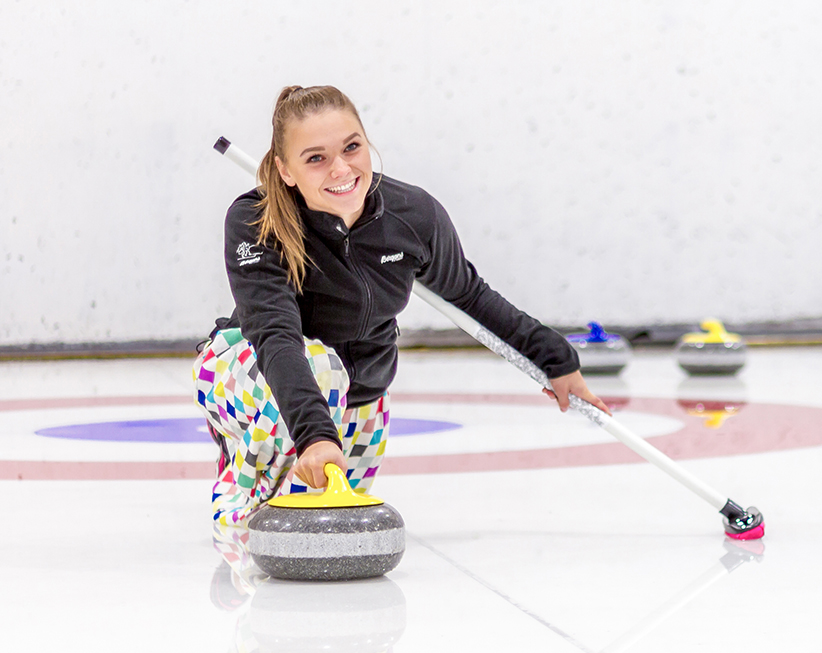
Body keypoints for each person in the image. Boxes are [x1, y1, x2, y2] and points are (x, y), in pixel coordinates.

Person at [194, 85, 609, 526]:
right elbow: (274, 333)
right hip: (247, 368)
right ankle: (241, 500)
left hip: (361, 393)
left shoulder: (412, 215)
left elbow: (469, 297)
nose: (341, 168)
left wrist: (555, 359)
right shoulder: (256, 220)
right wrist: (315, 436)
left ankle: (293, 470)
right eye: (315, 158)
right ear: (285, 169)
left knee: (330, 520)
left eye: (351, 147)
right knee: (318, 378)